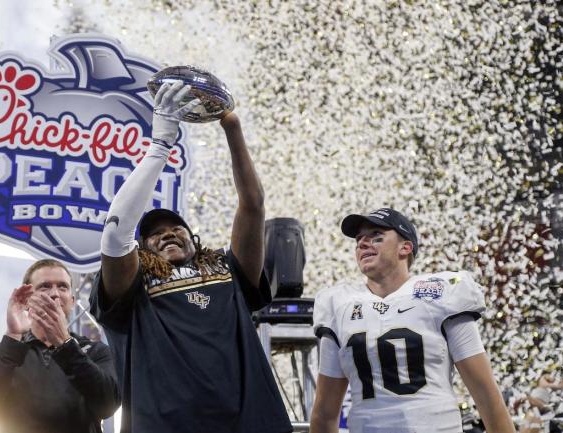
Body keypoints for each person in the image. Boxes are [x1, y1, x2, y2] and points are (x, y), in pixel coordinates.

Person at [90, 81, 292, 433]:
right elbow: (115, 233)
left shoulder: (225, 269)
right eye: (154, 233)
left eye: (176, 228)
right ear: (141, 249)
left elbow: (253, 205)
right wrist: (159, 147)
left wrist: (231, 126)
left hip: (248, 424)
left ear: (193, 239)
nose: (168, 233)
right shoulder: (134, 286)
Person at [309, 208, 516, 433]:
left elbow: (486, 395)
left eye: (376, 237)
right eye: (359, 240)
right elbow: (325, 413)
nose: (363, 244)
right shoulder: (339, 304)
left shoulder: (443, 294)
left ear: (405, 247)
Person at [0, 259, 120, 433]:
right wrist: (13, 336)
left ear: (72, 300)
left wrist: (65, 344)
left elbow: (108, 405)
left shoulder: (96, 351)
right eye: (45, 286)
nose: (55, 294)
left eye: (63, 287)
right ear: (26, 298)